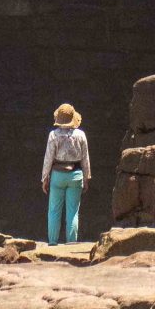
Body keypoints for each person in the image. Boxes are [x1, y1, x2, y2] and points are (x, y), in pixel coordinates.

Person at [41, 103, 90, 244]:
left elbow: (48, 158)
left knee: (54, 211)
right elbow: (85, 158)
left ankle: (52, 242)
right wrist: (86, 177)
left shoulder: (53, 135)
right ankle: (71, 243)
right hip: (76, 175)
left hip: (57, 175)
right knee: (73, 212)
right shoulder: (81, 135)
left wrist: (45, 178)